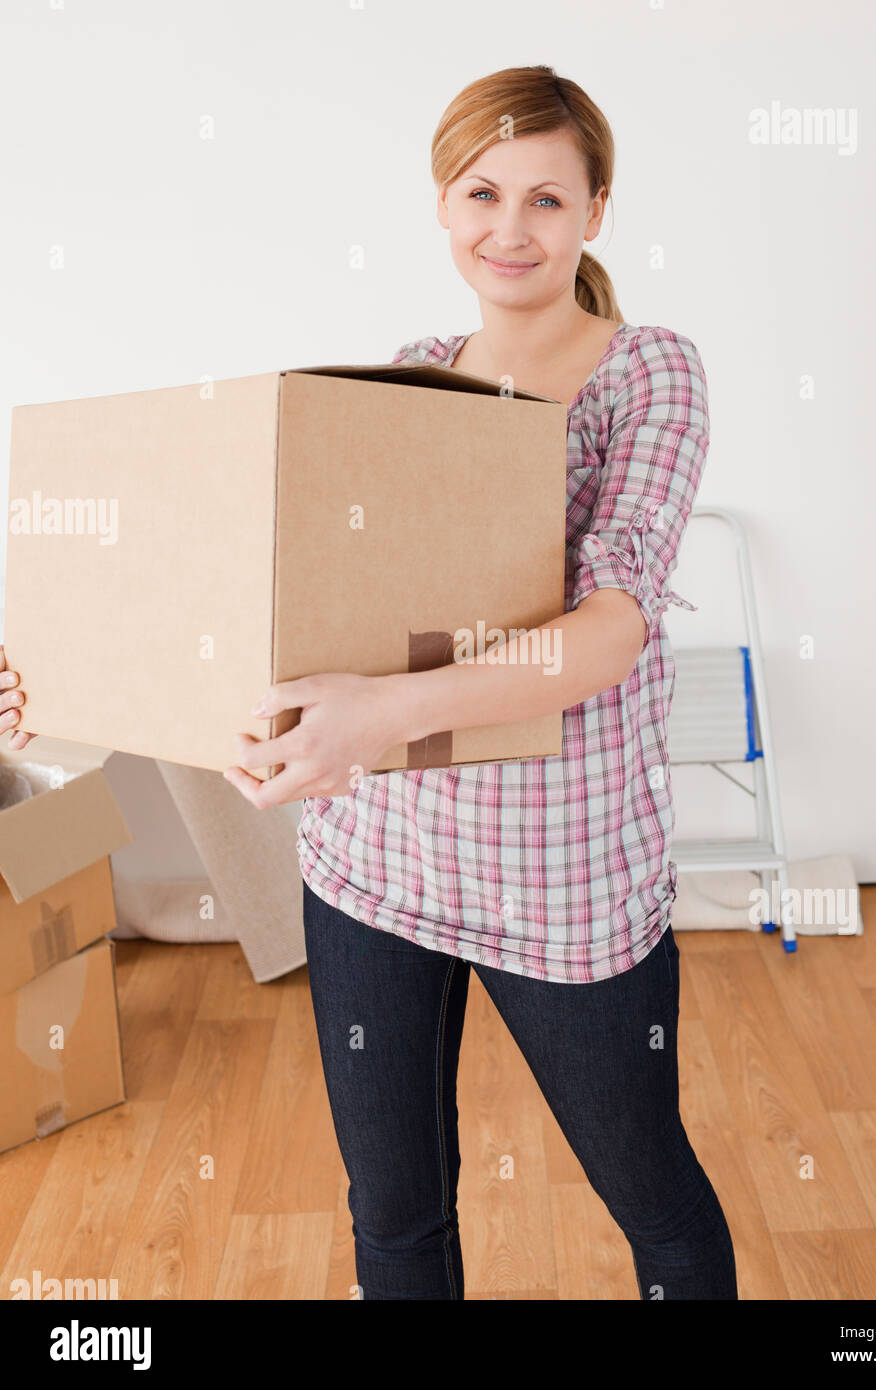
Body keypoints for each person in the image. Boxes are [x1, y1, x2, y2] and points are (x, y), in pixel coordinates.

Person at [2, 63, 738, 1301]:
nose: (510, 228)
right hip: (373, 863)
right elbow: (308, 610)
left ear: (596, 210)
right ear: (443, 206)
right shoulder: (409, 364)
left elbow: (610, 629)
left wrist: (380, 713)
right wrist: (65, 674)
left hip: (559, 879)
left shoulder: (647, 371)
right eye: (481, 192)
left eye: (546, 200)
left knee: (652, 1199)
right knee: (392, 1218)